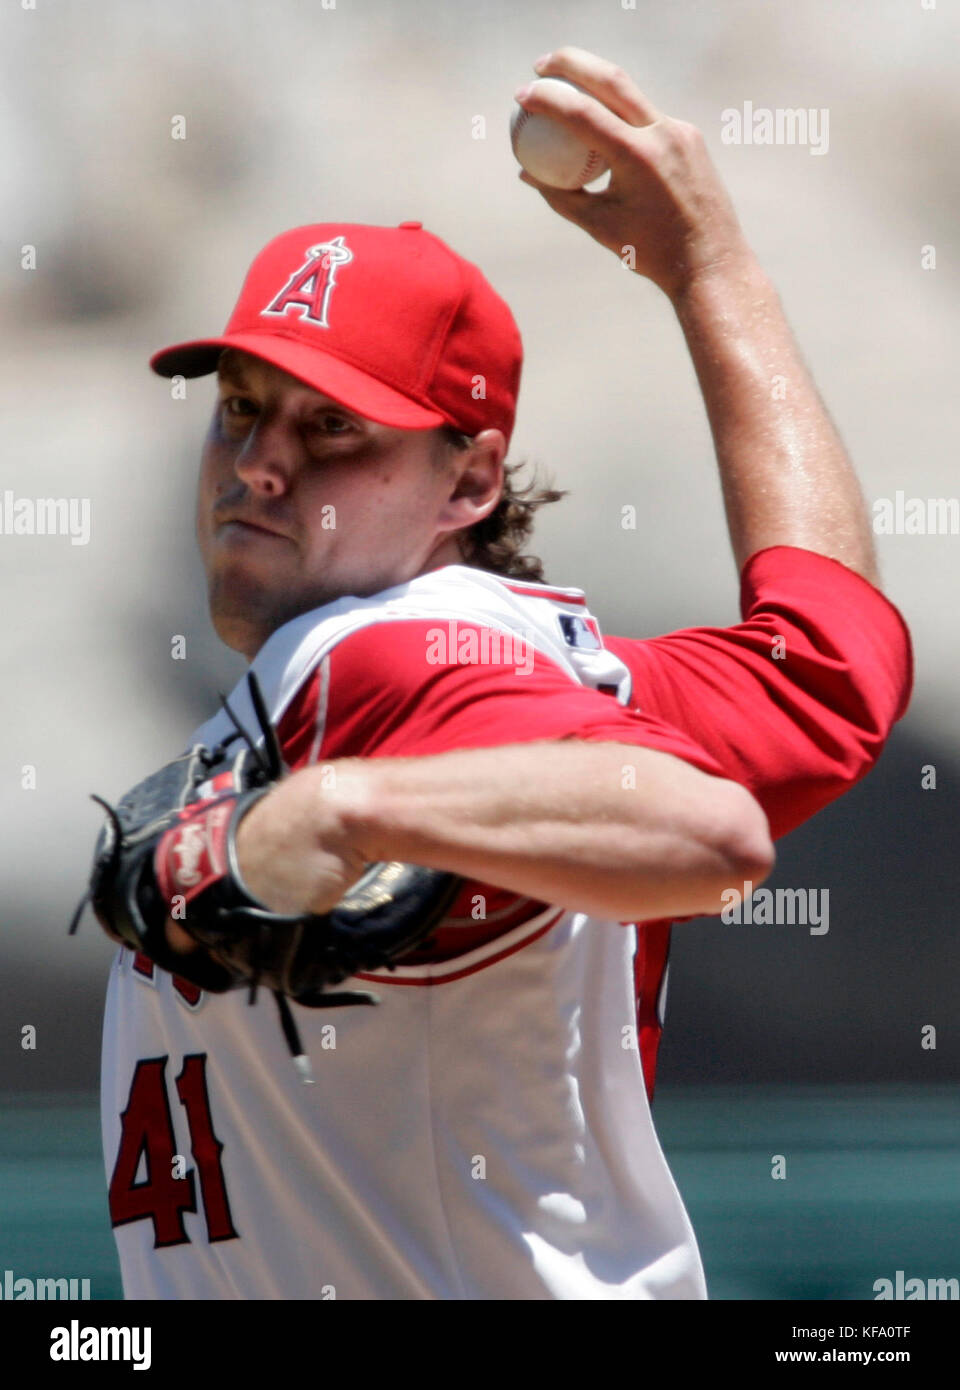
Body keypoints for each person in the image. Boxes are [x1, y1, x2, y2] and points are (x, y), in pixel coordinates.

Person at [98, 47, 911, 1300]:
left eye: (332, 429)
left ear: (470, 484)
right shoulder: (557, 680)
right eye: (243, 407)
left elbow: (712, 830)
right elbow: (828, 665)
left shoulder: (372, 657)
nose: (261, 462)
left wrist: (341, 809)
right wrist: (710, 273)